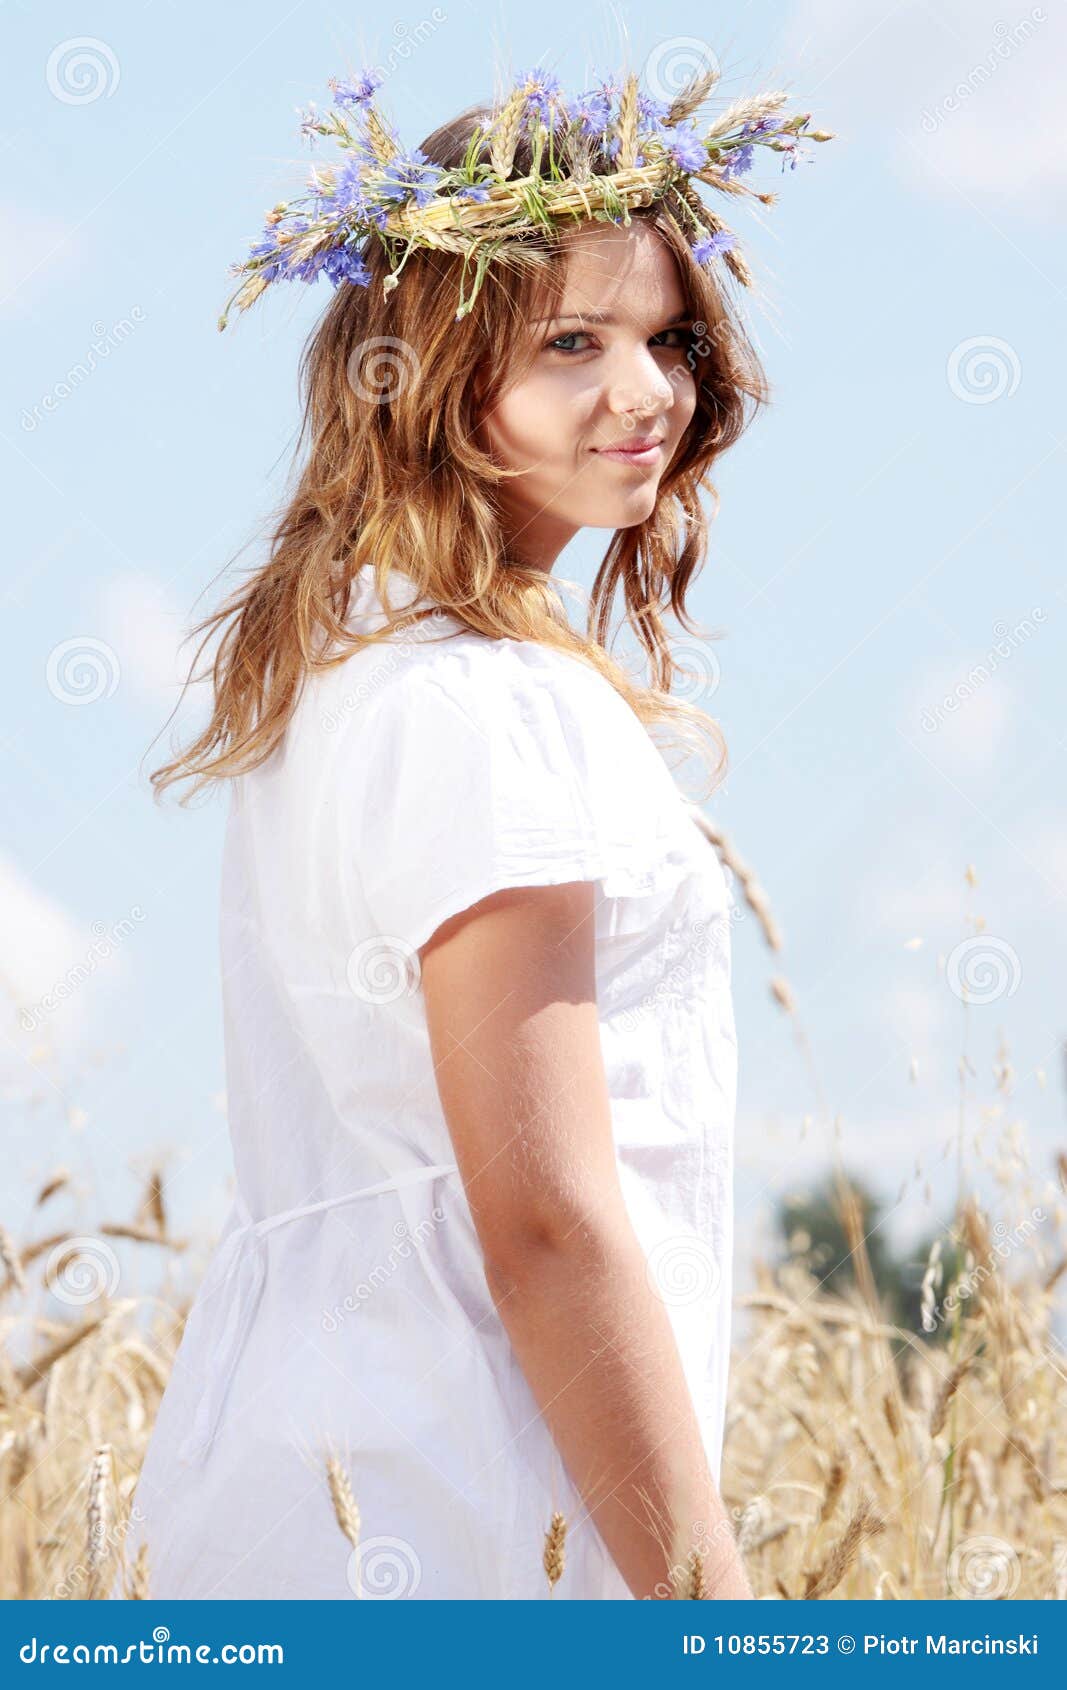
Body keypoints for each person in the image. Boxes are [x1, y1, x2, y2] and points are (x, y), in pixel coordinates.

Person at [113, 63, 830, 1600]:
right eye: (572, 342)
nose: (645, 390)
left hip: (295, 1495)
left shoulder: (348, 683)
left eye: (665, 338)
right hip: (473, 1513)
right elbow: (549, 1213)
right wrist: (715, 1611)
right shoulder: (492, 706)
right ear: (438, 367)